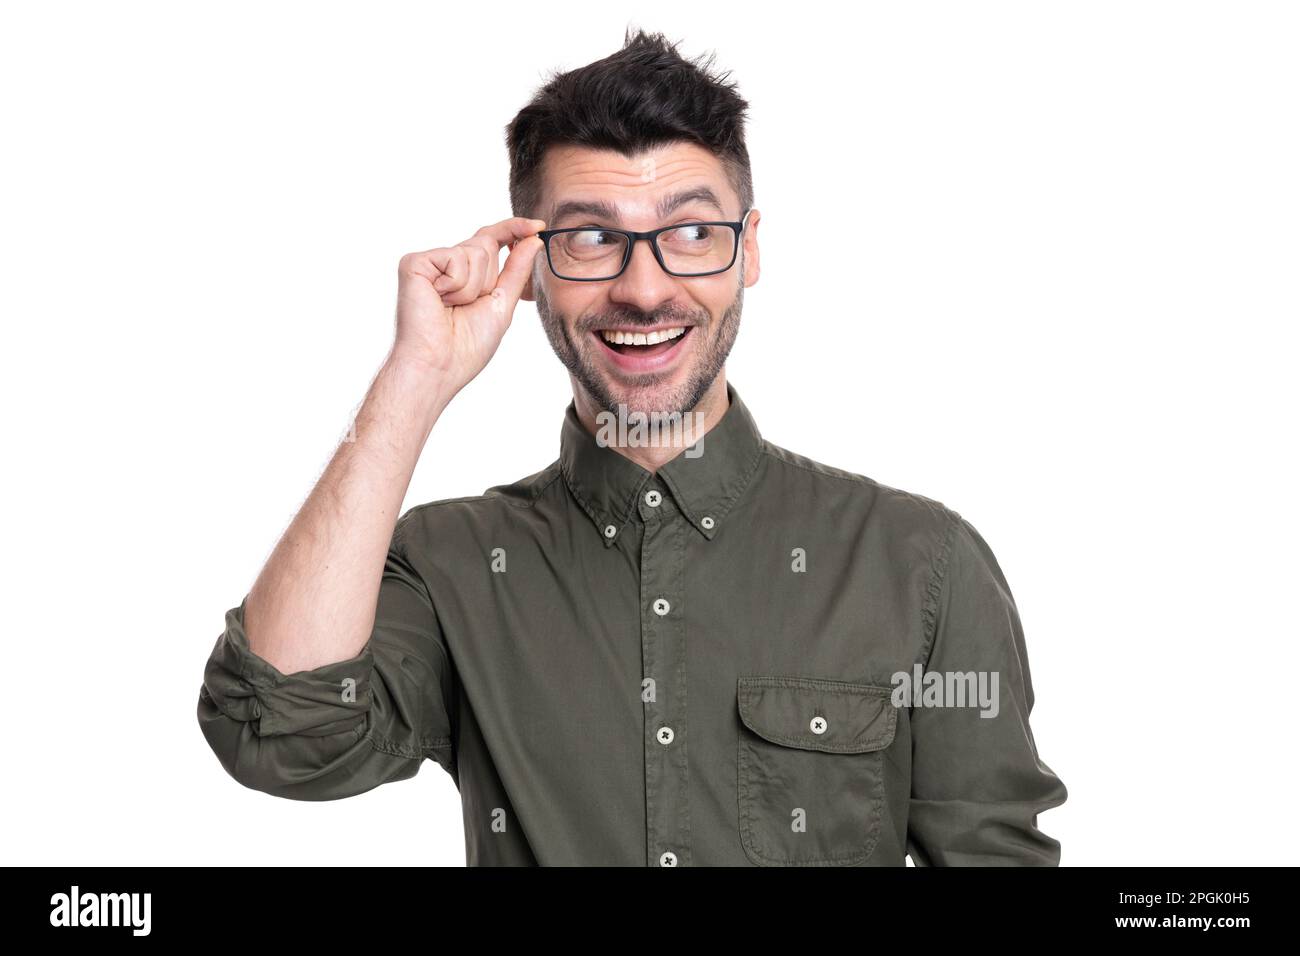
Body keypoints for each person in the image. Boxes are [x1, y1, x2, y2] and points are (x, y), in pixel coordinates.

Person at [196, 27, 1067, 866]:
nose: (644, 289)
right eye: (590, 238)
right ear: (529, 266)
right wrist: (415, 377)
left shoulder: (923, 564)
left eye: (691, 233)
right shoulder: (449, 564)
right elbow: (277, 730)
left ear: (748, 250)